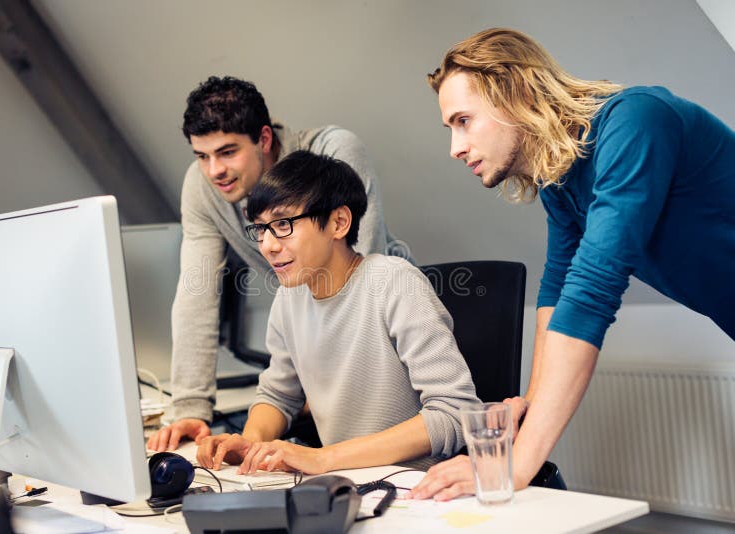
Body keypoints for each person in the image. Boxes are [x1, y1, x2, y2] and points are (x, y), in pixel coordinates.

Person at [410, 28, 735, 500]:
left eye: (464, 120)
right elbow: (557, 291)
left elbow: (593, 292)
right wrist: (525, 422)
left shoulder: (636, 121)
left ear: (516, 94)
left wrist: (517, 465)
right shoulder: (561, 183)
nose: (455, 147)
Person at [147, 77, 406, 452]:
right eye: (202, 156)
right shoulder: (204, 186)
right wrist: (190, 408)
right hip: (311, 328)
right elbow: (197, 289)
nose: (214, 170)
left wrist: (315, 395)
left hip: (383, 326)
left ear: (264, 139)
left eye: (227, 151)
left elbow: (357, 282)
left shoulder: (333, 152)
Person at [195, 150, 479, 473]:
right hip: (345, 486)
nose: (268, 245)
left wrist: (323, 458)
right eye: (261, 229)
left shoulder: (394, 282)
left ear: (339, 223)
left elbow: (454, 412)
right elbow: (278, 395)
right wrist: (251, 442)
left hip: (416, 490)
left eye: (283, 224)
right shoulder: (289, 299)